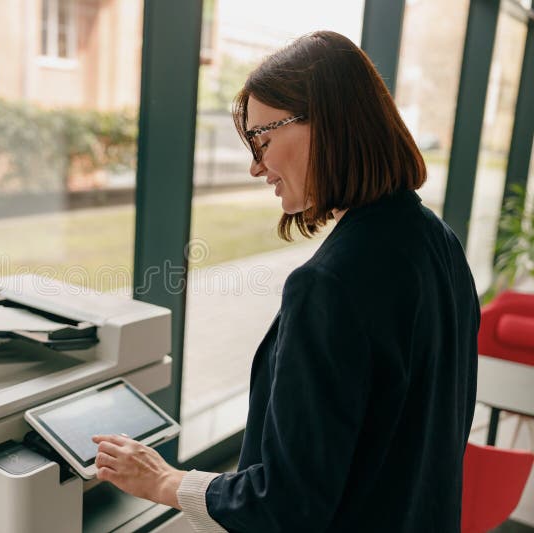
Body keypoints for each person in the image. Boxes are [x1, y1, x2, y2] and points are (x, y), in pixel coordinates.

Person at [92, 30, 480, 532]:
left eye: (263, 139)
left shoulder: (329, 285)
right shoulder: (438, 241)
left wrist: (164, 481)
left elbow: (286, 503)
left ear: (330, 123)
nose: (257, 167)